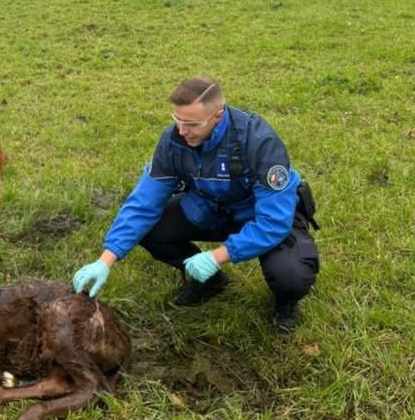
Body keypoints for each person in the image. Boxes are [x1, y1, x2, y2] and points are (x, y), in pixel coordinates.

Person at [72, 77, 320, 331]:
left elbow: (273, 221)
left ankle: (286, 303)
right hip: (213, 210)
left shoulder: (257, 141)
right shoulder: (173, 142)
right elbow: (143, 203)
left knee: (291, 276)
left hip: (259, 214)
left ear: (218, 115)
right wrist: (106, 260)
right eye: (177, 120)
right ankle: (210, 282)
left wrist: (217, 256)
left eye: (191, 123)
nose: (182, 131)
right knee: (152, 229)